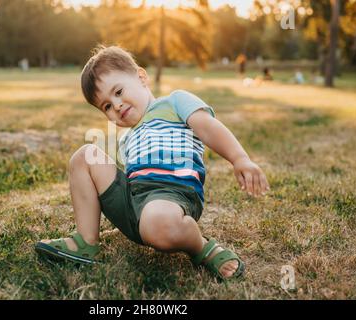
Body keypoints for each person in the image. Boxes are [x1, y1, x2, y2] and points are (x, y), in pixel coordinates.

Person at [35, 46, 270, 281]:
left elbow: (208, 128)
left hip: (173, 194)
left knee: (157, 221)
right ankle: (86, 242)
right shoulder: (127, 138)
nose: (115, 105)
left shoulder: (175, 102)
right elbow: (127, 181)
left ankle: (201, 248)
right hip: (135, 201)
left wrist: (240, 159)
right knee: (85, 155)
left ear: (141, 77)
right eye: (106, 106)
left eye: (118, 92)